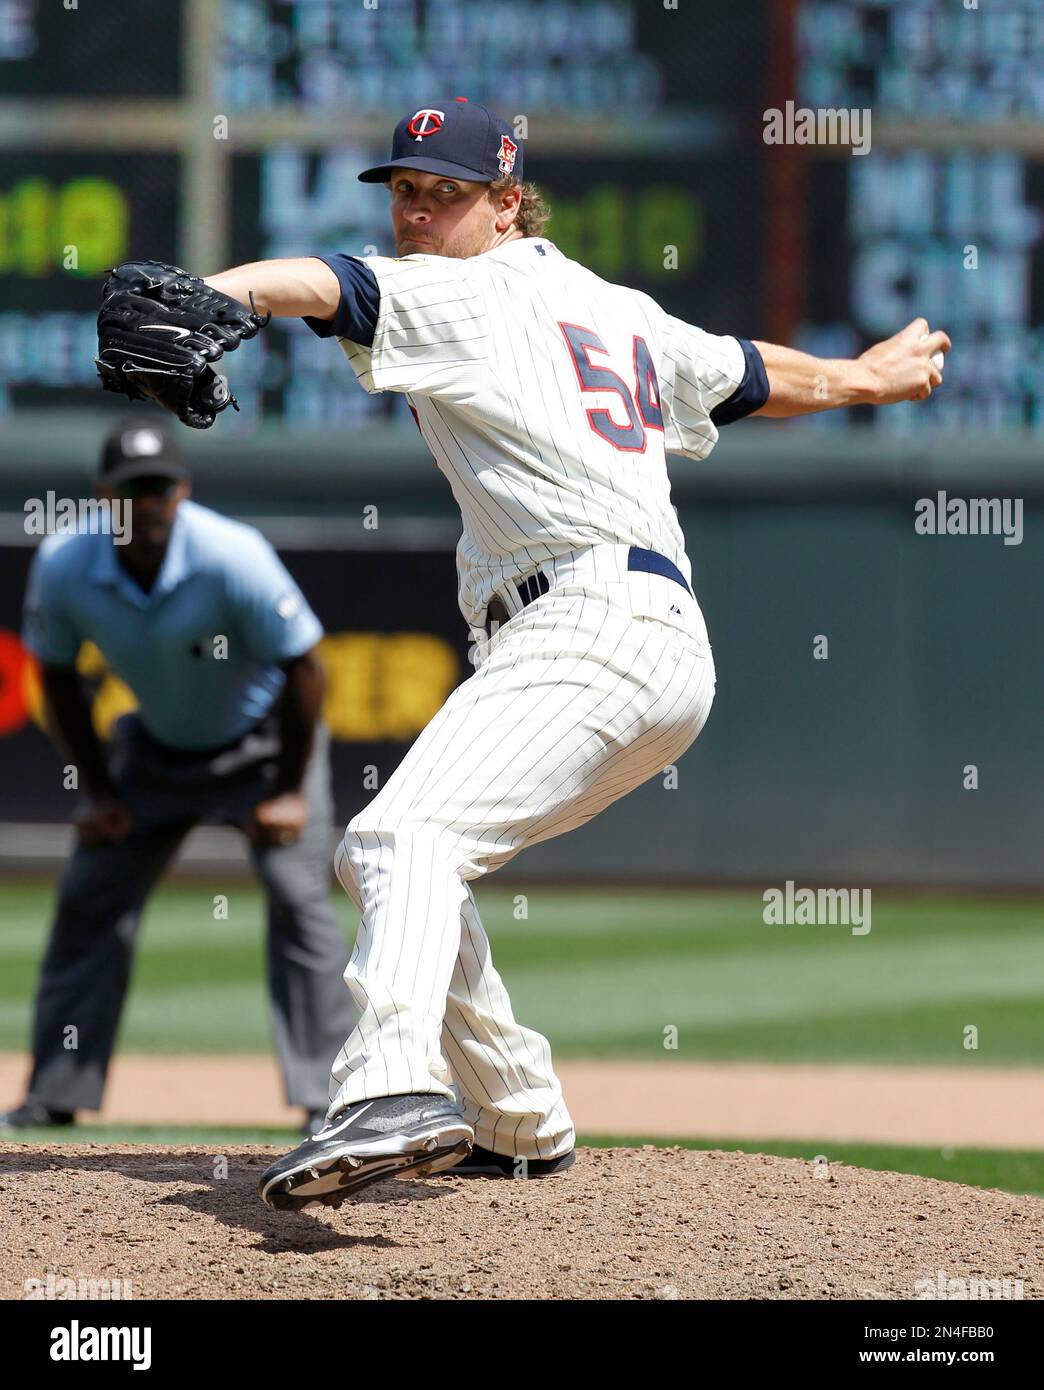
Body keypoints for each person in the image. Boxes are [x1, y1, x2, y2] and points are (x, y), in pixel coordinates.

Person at [194, 98, 947, 1211]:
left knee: (403, 833)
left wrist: (221, 294)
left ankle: (390, 1089)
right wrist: (863, 380)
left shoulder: (471, 286)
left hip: (586, 618)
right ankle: (518, 1118)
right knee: (392, 859)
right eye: (403, 190)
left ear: (505, 206)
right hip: (644, 639)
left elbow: (331, 285)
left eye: (440, 194)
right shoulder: (614, 306)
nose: (414, 211)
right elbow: (742, 374)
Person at [1, 418, 356, 1136]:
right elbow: (60, 681)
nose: (147, 503)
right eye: (131, 490)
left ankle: (328, 1100)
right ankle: (55, 1093)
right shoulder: (68, 565)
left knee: (298, 899)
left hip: (264, 748)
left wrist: (289, 788)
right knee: (90, 897)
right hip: (157, 752)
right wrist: (99, 793)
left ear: (182, 490)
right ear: (105, 495)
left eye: (159, 487)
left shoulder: (232, 555)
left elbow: (305, 669)